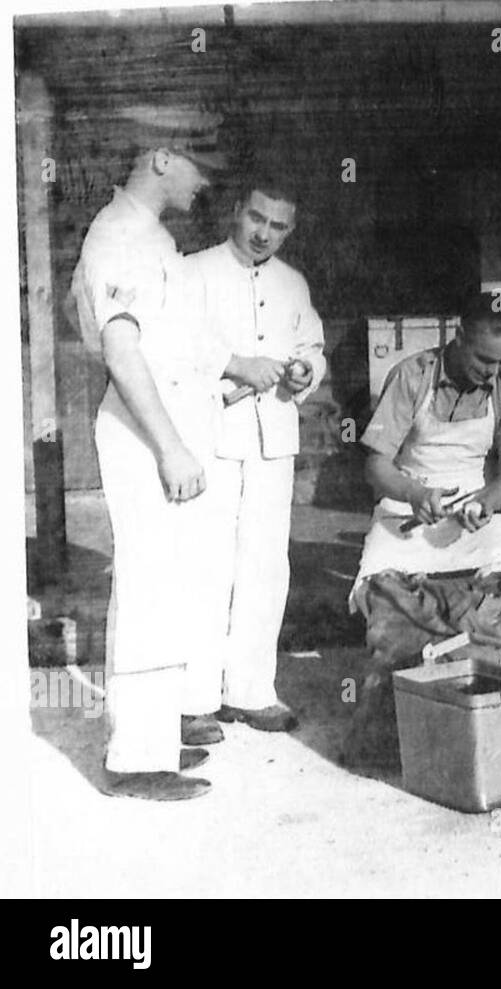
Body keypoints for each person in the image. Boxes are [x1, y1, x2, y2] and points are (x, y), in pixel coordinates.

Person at [71, 105, 231, 800]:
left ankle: (158, 729)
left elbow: (178, 345)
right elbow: (122, 348)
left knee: (174, 583)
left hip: (172, 427)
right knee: (145, 584)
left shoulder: (154, 237)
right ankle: (135, 758)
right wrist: (169, 446)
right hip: (143, 434)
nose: (206, 183)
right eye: (200, 166)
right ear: (162, 157)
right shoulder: (116, 237)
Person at [343, 293, 501, 762]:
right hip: (406, 505)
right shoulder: (412, 374)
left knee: (495, 594)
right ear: (459, 336)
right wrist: (414, 494)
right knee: (388, 601)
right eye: (484, 359)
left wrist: (485, 504)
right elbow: (376, 465)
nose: (492, 372)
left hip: (474, 511)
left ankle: (481, 717)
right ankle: (394, 725)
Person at [186, 177, 326, 735]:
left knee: (265, 565)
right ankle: (194, 698)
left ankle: (249, 689)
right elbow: (175, 344)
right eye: (257, 219)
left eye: (279, 226)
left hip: (273, 441)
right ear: (236, 212)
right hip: (211, 435)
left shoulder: (293, 283)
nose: (265, 233)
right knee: (208, 564)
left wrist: (303, 371)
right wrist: (235, 364)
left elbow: (311, 347)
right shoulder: (193, 272)